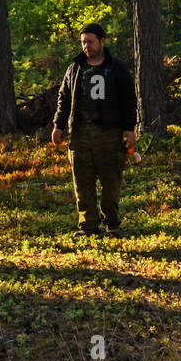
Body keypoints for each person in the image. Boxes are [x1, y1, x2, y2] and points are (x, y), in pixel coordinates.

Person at [51, 22, 137, 238]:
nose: (86, 46)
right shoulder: (75, 68)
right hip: (80, 135)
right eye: (83, 42)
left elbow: (129, 99)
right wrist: (58, 125)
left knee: (111, 182)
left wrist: (129, 128)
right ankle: (87, 225)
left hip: (110, 134)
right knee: (82, 182)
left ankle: (111, 221)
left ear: (102, 41)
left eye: (90, 41)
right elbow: (63, 99)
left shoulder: (117, 68)